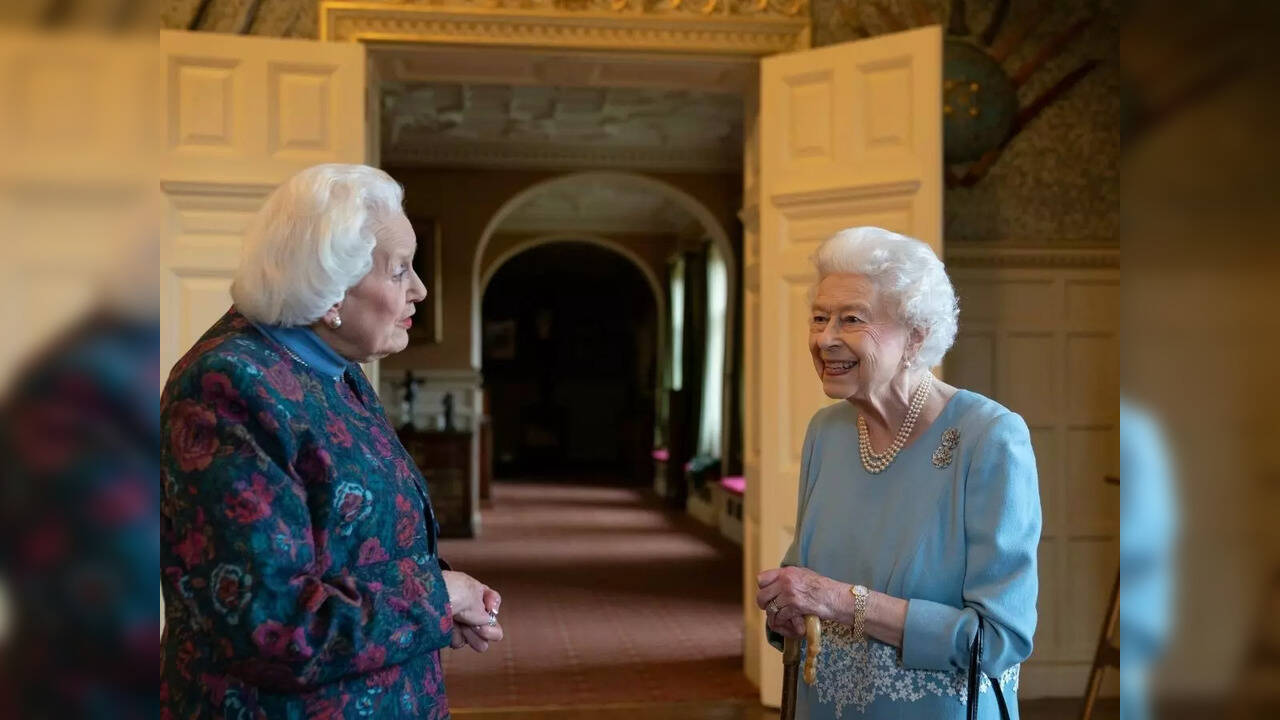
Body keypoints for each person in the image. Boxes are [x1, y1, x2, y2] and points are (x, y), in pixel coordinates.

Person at [160, 164, 502, 719]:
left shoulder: (333, 369)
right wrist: (437, 597)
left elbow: (352, 537)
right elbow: (271, 623)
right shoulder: (229, 387)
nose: (419, 289)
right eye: (400, 270)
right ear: (332, 292)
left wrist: (443, 595)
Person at [755, 227, 1041, 719]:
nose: (825, 339)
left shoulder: (988, 437)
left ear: (916, 335)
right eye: (820, 318)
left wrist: (842, 602)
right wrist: (787, 605)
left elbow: (998, 640)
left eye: (851, 319)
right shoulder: (827, 431)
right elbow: (804, 578)